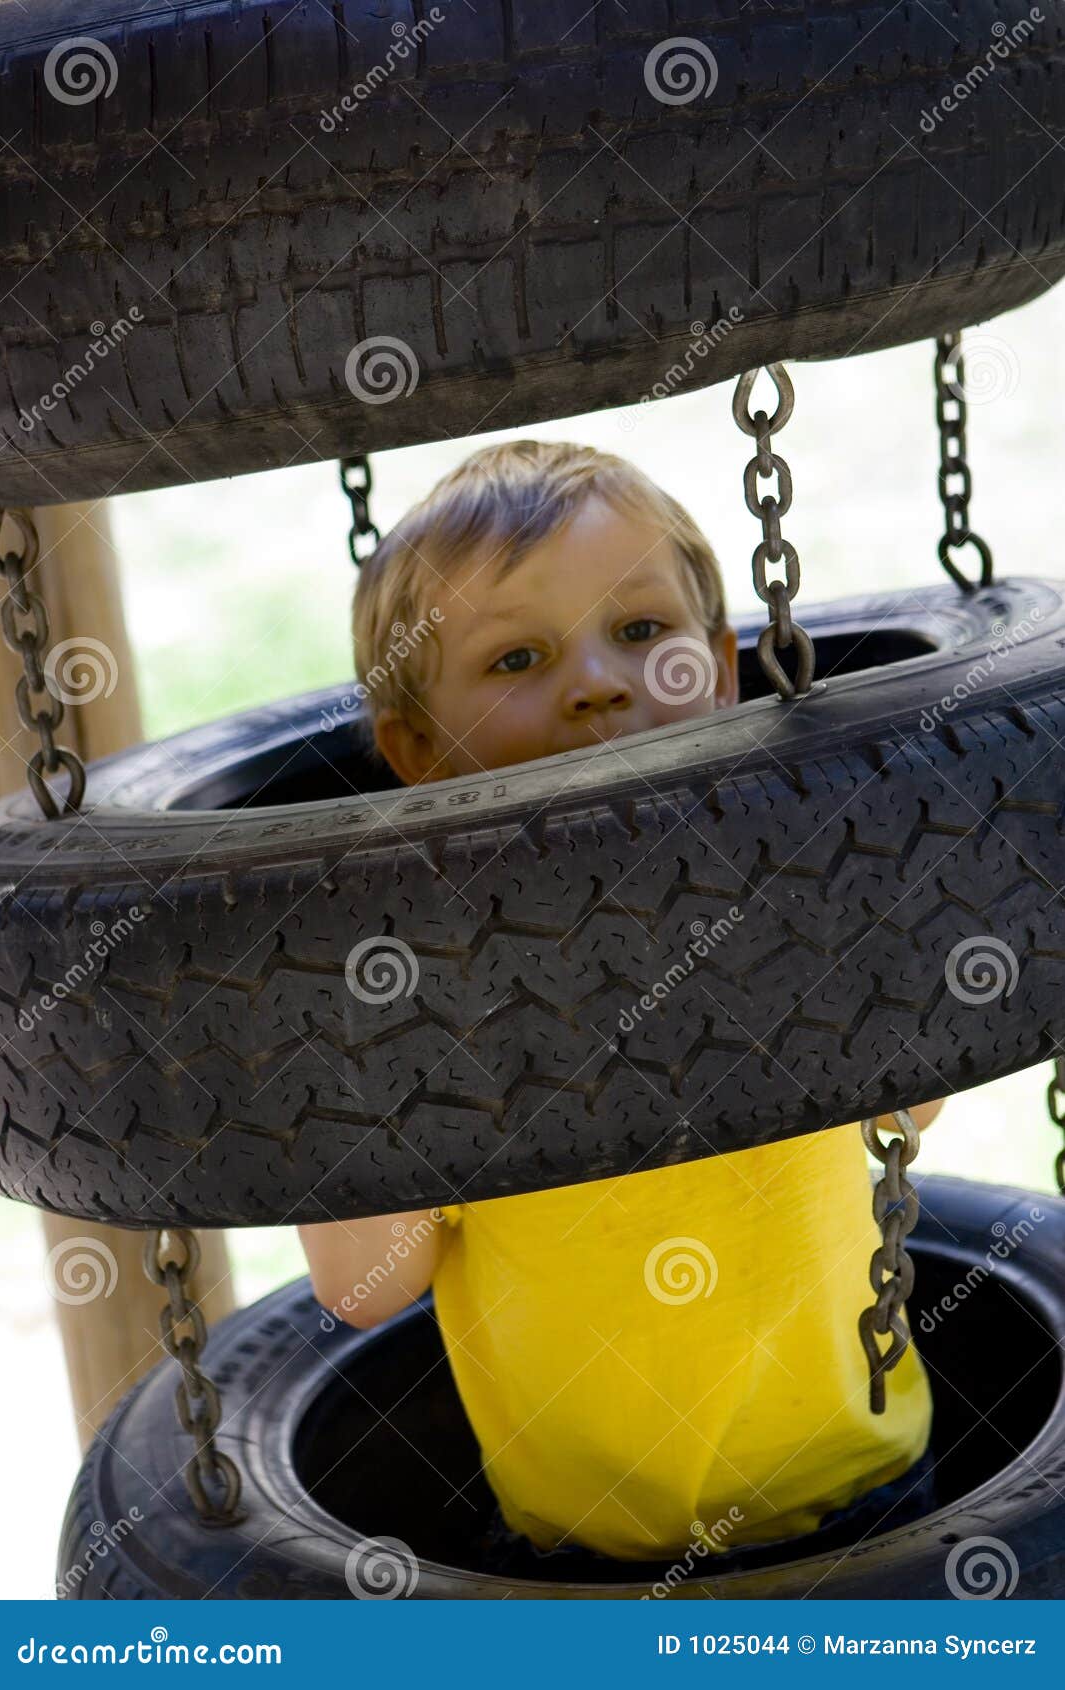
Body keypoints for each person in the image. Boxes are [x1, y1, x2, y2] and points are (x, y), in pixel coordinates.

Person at [297, 439, 944, 1574]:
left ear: (723, 671)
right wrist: (376, 1064)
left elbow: (911, 1108)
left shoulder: (789, 903)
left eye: (639, 631)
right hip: (582, 1563)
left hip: (884, 1497)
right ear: (411, 747)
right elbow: (362, 1288)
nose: (595, 681)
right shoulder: (425, 1001)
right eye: (518, 657)